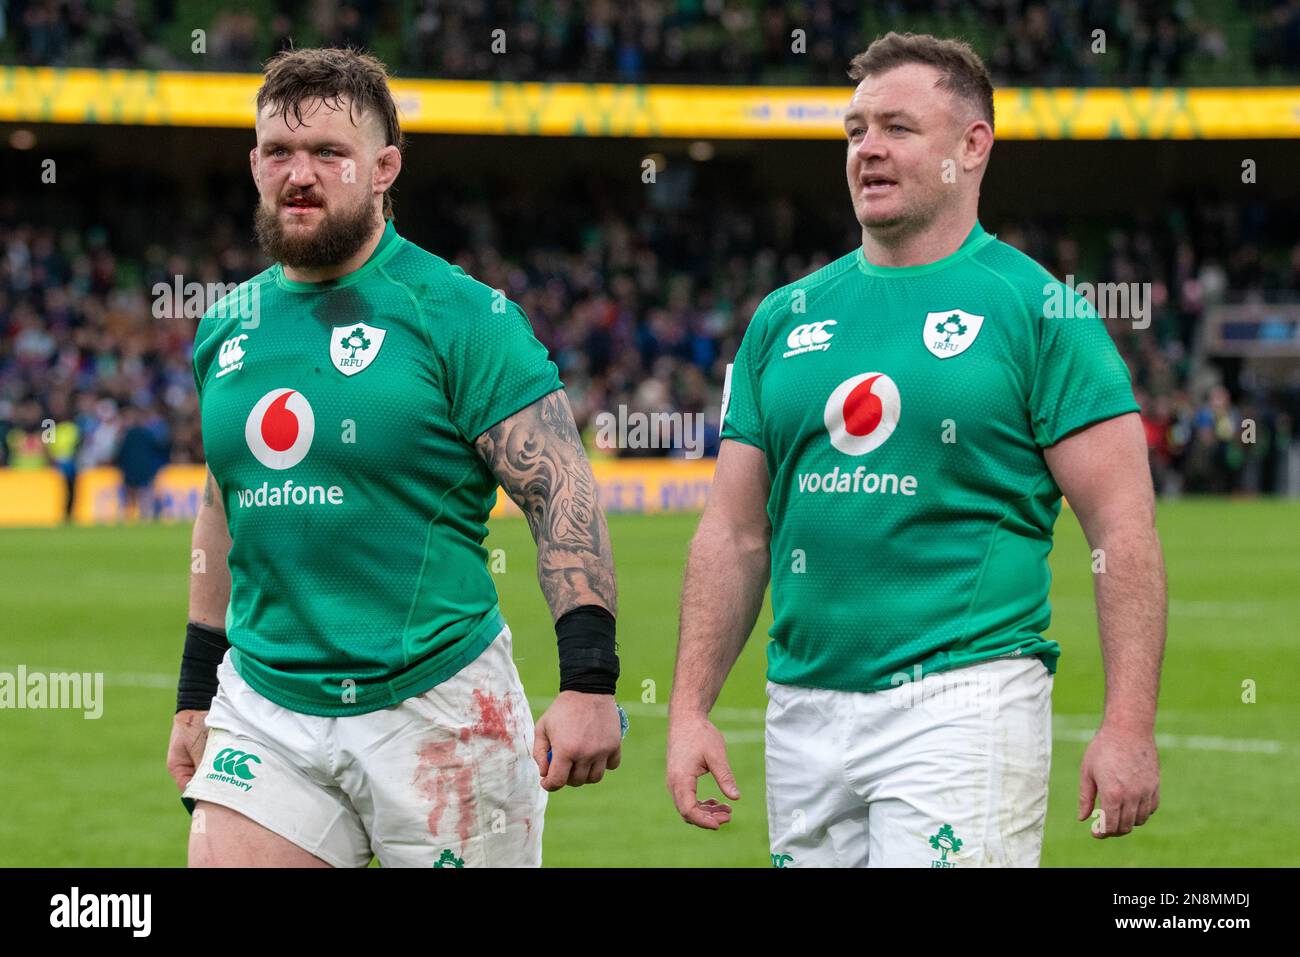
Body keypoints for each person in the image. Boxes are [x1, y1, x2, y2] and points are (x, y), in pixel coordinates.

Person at [667, 32, 1165, 867]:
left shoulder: (1043, 311)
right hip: (801, 708)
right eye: (856, 130)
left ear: (973, 147)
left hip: (964, 701)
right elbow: (734, 533)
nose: (868, 149)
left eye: (898, 127)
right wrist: (688, 709)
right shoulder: (782, 318)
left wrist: (1127, 726)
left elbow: (1122, 528)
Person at [165, 47, 622, 868]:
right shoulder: (224, 326)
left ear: (384, 168)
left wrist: (589, 677)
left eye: (328, 154)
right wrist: (197, 691)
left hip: (440, 704)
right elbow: (223, 503)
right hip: (267, 706)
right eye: (279, 152)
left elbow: (560, 490)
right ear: (254, 165)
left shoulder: (464, 315)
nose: (299, 174)